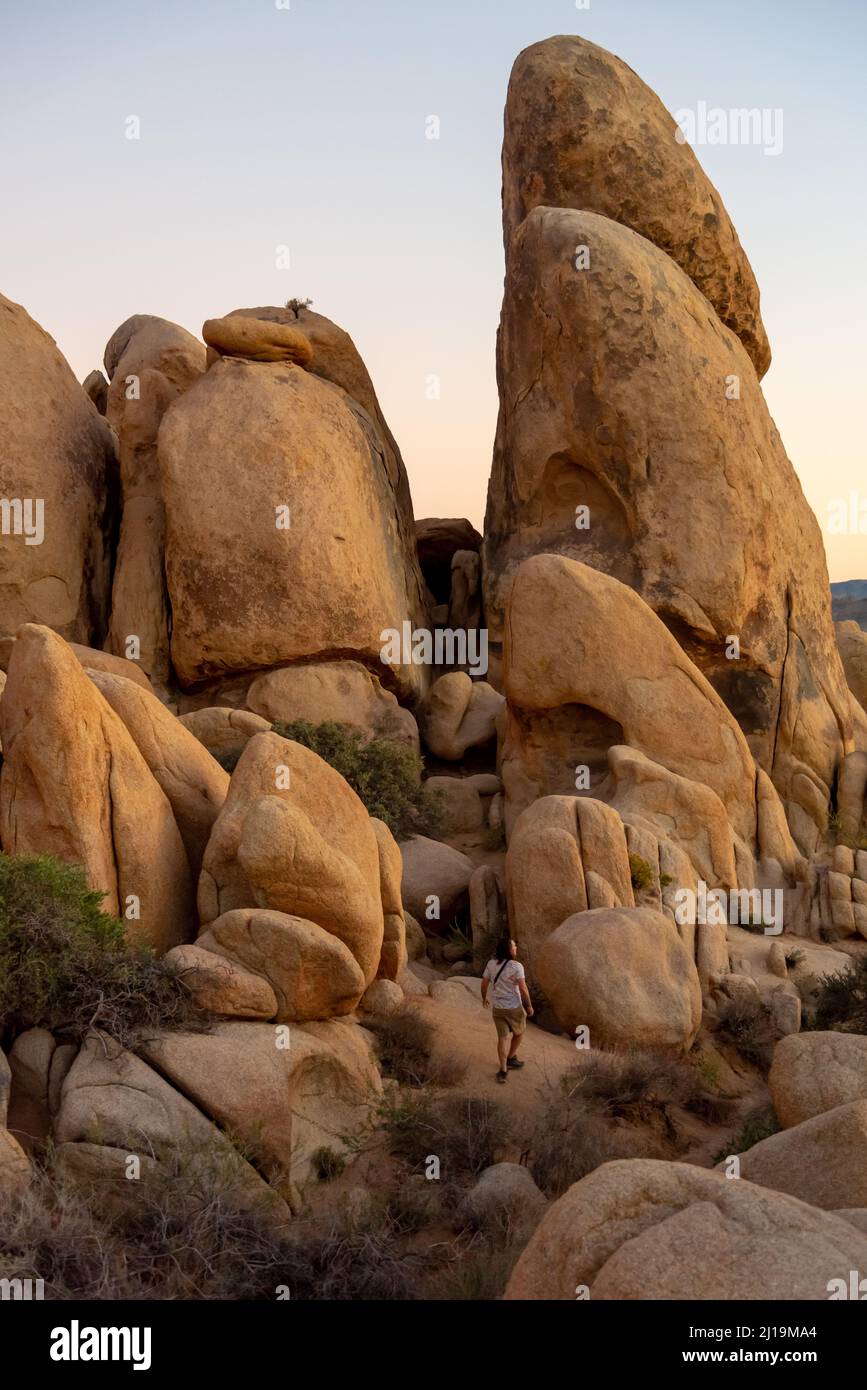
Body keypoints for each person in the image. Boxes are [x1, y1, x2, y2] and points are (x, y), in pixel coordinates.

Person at [480, 934, 533, 1083]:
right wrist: (528, 1005)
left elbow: (484, 984)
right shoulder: (517, 967)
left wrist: (484, 998)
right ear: (508, 950)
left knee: (502, 1038)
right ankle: (510, 1057)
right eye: (513, 946)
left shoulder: (491, 964)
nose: (515, 948)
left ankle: (503, 1070)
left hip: (498, 1009)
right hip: (514, 1008)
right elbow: (523, 988)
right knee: (520, 1031)